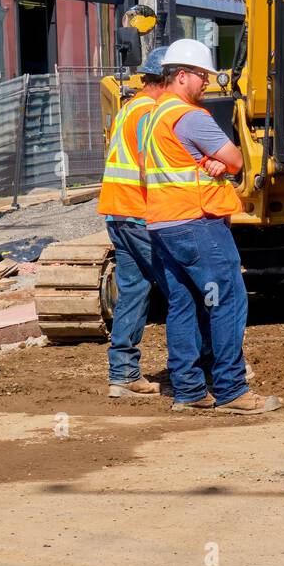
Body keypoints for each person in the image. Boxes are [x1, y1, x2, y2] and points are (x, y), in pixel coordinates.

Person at [144, 38, 279, 414]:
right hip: (197, 222)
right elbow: (235, 159)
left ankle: (188, 391)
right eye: (201, 76)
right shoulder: (191, 117)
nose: (206, 83)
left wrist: (205, 162)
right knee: (228, 299)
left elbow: (179, 162)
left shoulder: (154, 115)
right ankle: (232, 389)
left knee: (184, 304)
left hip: (163, 224)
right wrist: (217, 161)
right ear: (182, 76)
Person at [97, 46, 169, 398]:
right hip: (140, 213)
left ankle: (123, 374)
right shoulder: (151, 113)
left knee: (134, 290)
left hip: (118, 212)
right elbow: (148, 165)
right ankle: (208, 365)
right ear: (168, 79)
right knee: (182, 286)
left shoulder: (130, 108)